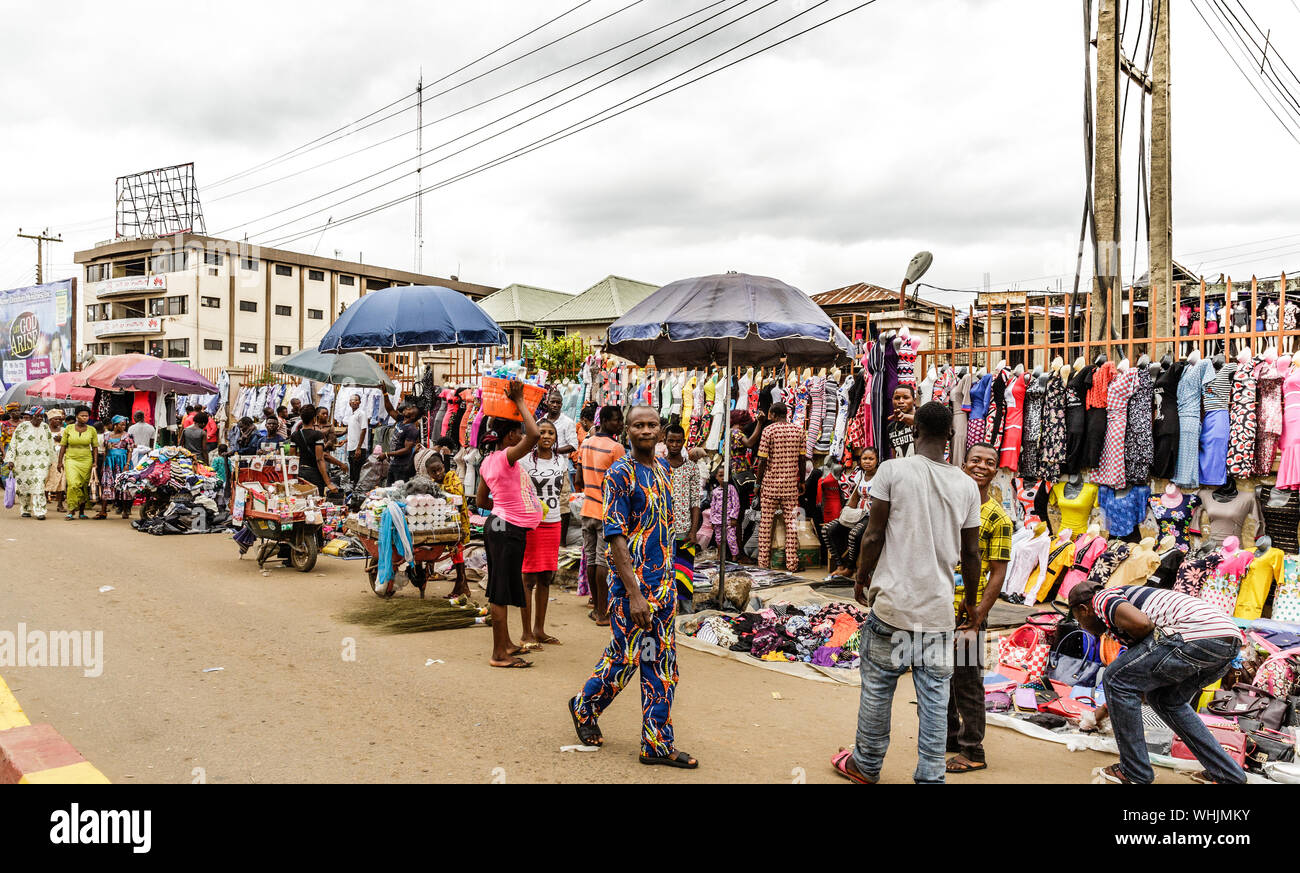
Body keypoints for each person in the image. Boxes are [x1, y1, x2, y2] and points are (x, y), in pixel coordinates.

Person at [831, 401, 982, 785]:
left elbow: (874, 534)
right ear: (950, 435)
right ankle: (930, 774)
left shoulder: (892, 471)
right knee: (934, 698)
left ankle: (865, 765)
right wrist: (970, 604)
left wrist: (861, 577)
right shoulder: (966, 485)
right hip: (937, 614)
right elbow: (971, 554)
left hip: (892, 609)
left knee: (878, 690)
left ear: (915, 433)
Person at [569, 405, 696, 769]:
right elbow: (616, 538)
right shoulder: (619, 475)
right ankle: (584, 705)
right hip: (633, 592)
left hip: (664, 589)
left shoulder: (662, 472)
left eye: (651, 424)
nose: (645, 430)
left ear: (659, 430)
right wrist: (635, 593)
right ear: (627, 430)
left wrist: (670, 582)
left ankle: (656, 744)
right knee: (625, 659)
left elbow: (663, 530)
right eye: (638, 424)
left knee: (660, 662)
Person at [1069, 582, 1247, 785]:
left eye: (1078, 620)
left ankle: (1134, 771)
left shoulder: (1101, 599)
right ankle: (1227, 774)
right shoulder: (1123, 615)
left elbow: (1143, 625)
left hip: (1197, 635)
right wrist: (1098, 715)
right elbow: (1133, 682)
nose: (1082, 627)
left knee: (1114, 677)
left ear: (1084, 610)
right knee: (1165, 699)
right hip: (1227, 640)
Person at [946, 442, 1012, 775]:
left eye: (989, 462)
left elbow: (998, 572)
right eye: (975, 460)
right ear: (963, 464)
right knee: (939, 675)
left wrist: (978, 616)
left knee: (967, 680)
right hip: (937, 605)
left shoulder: (998, 517)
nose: (981, 466)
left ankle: (974, 750)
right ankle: (949, 738)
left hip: (967, 613)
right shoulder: (947, 505)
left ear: (995, 471)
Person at [474, 382, 543, 668]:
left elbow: (481, 499)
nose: (521, 435)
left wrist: (503, 507)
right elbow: (536, 434)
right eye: (517, 432)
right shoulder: (506, 457)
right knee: (500, 592)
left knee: (499, 588)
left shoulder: (488, 461)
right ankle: (498, 654)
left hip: (499, 525)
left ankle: (507, 644)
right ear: (509, 436)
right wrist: (519, 401)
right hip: (506, 530)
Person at [519, 420, 568, 648]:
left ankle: (540, 630)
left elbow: (563, 494)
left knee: (546, 578)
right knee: (528, 578)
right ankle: (526, 633)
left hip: (553, 523)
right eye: (542, 432)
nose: (546, 436)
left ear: (556, 437)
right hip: (531, 524)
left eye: (551, 433)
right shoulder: (524, 461)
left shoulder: (562, 462)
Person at [576, 405, 625, 626]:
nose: (621, 424)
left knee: (591, 559)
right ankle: (603, 612)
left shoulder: (585, 443)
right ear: (605, 421)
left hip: (587, 508)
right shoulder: (617, 448)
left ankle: (596, 607)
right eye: (617, 420)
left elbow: (578, 478)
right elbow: (622, 484)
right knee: (601, 560)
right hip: (606, 511)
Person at [755, 402, 806, 571]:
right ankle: (792, 563)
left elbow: (762, 460)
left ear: (773, 414)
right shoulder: (798, 431)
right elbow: (802, 459)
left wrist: (758, 483)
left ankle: (763, 564)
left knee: (765, 525)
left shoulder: (768, 431)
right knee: (791, 525)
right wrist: (802, 481)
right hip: (791, 486)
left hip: (770, 486)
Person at [822, 448, 879, 581]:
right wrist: (846, 511)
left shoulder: (880, 476)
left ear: (877, 461)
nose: (867, 462)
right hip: (858, 512)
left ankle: (850, 567)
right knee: (828, 530)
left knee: (854, 534)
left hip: (872, 514)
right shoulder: (860, 475)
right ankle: (840, 565)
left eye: (871, 459)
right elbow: (854, 498)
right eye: (865, 459)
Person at [663, 424, 702, 608]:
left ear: (683, 442)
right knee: (663, 572)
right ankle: (665, 610)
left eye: (678, 441)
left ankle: (686, 611)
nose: (675, 445)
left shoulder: (692, 468)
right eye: (671, 441)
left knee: (685, 572)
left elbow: (695, 503)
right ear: (665, 441)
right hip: (661, 529)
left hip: (684, 529)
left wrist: (693, 531)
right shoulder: (658, 466)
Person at [423, 452, 470, 599]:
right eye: (433, 472)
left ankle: (460, 585)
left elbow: (457, 492)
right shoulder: (432, 482)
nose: (437, 473)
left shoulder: (452, 477)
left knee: (457, 552)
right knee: (455, 552)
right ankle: (464, 587)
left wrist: (438, 491)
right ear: (429, 473)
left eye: (439, 469)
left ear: (444, 467)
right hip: (444, 524)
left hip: (458, 523)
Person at [10, 407, 55, 520]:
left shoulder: (45, 427)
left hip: (41, 461)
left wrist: (52, 460)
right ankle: (25, 509)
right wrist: (11, 459)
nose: (39, 418)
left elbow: (51, 443)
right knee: (23, 486)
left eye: (41, 416)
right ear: (31, 416)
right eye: (37, 416)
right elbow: (13, 442)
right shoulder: (22, 426)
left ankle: (40, 511)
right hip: (23, 461)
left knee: (39, 484)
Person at [57, 405, 99, 521]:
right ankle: (71, 510)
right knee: (73, 484)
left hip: (86, 460)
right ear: (77, 416)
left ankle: (81, 511)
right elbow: (63, 446)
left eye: (86, 416)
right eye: (82, 416)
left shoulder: (92, 430)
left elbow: (95, 447)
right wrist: (59, 462)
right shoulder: (69, 428)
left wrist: (95, 462)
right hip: (71, 459)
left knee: (84, 486)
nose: (85, 418)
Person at [289, 405, 339, 496]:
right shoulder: (317, 435)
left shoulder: (295, 435)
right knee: (316, 500)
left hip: (300, 472)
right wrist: (328, 483)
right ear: (314, 418)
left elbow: (293, 458)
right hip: (314, 473)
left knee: (301, 498)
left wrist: (293, 476)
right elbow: (319, 459)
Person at [97, 416, 134, 519]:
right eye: (121, 424)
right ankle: (103, 511)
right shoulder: (107, 436)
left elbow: (130, 450)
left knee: (124, 485)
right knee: (107, 484)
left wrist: (127, 464)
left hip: (122, 462)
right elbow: (106, 451)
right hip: (109, 462)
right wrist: (103, 464)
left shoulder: (128, 436)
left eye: (124, 425)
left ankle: (125, 510)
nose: (123, 427)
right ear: (115, 424)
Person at [379, 396, 420, 485]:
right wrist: (385, 394)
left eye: (411, 409)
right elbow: (390, 410)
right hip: (393, 463)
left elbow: (407, 449)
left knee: (399, 492)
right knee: (389, 489)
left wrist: (387, 454)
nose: (407, 408)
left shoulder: (412, 429)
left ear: (413, 416)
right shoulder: (401, 420)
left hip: (402, 467)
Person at [707, 463, 739, 560]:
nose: (722, 478)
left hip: (729, 518)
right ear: (716, 477)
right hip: (717, 519)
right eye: (720, 476)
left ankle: (734, 555)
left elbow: (736, 503)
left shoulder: (731, 489)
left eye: (724, 476)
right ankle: (720, 554)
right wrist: (712, 520)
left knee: (731, 538)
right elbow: (712, 506)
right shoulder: (715, 491)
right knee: (718, 538)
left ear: (729, 476)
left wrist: (734, 517)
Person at [44, 409, 66, 513]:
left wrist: (61, 441)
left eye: (59, 419)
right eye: (56, 419)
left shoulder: (64, 430)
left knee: (61, 479)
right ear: (50, 420)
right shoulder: (45, 430)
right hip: (47, 458)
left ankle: (60, 503)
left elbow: (67, 443)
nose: (58, 421)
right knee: (46, 478)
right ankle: (43, 501)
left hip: (60, 458)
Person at [544, 390, 578, 457]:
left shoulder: (568, 422)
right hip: (541, 463)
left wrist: (552, 451)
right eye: (552, 402)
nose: (555, 405)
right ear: (547, 402)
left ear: (561, 405)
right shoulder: (541, 421)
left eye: (558, 403)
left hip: (560, 465)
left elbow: (573, 446)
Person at [345, 393, 369, 485]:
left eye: (356, 400)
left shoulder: (361, 414)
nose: (354, 402)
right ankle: (352, 494)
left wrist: (358, 448)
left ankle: (357, 495)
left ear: (360, 402)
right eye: (351, 400)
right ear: (349, 403)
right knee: (353, 474)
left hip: (358, 449)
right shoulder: (352, 415)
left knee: (357, 475)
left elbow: (363, 430)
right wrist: (346, 440)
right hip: (351, 448)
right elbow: (354, 431)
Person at [886, 385, 916, 459]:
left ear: (914, 400)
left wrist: (906, 417)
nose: (901, 401)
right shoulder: (891, 427)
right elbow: (894, 454)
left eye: (906, 398)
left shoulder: (923, 418)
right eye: (897, 398)